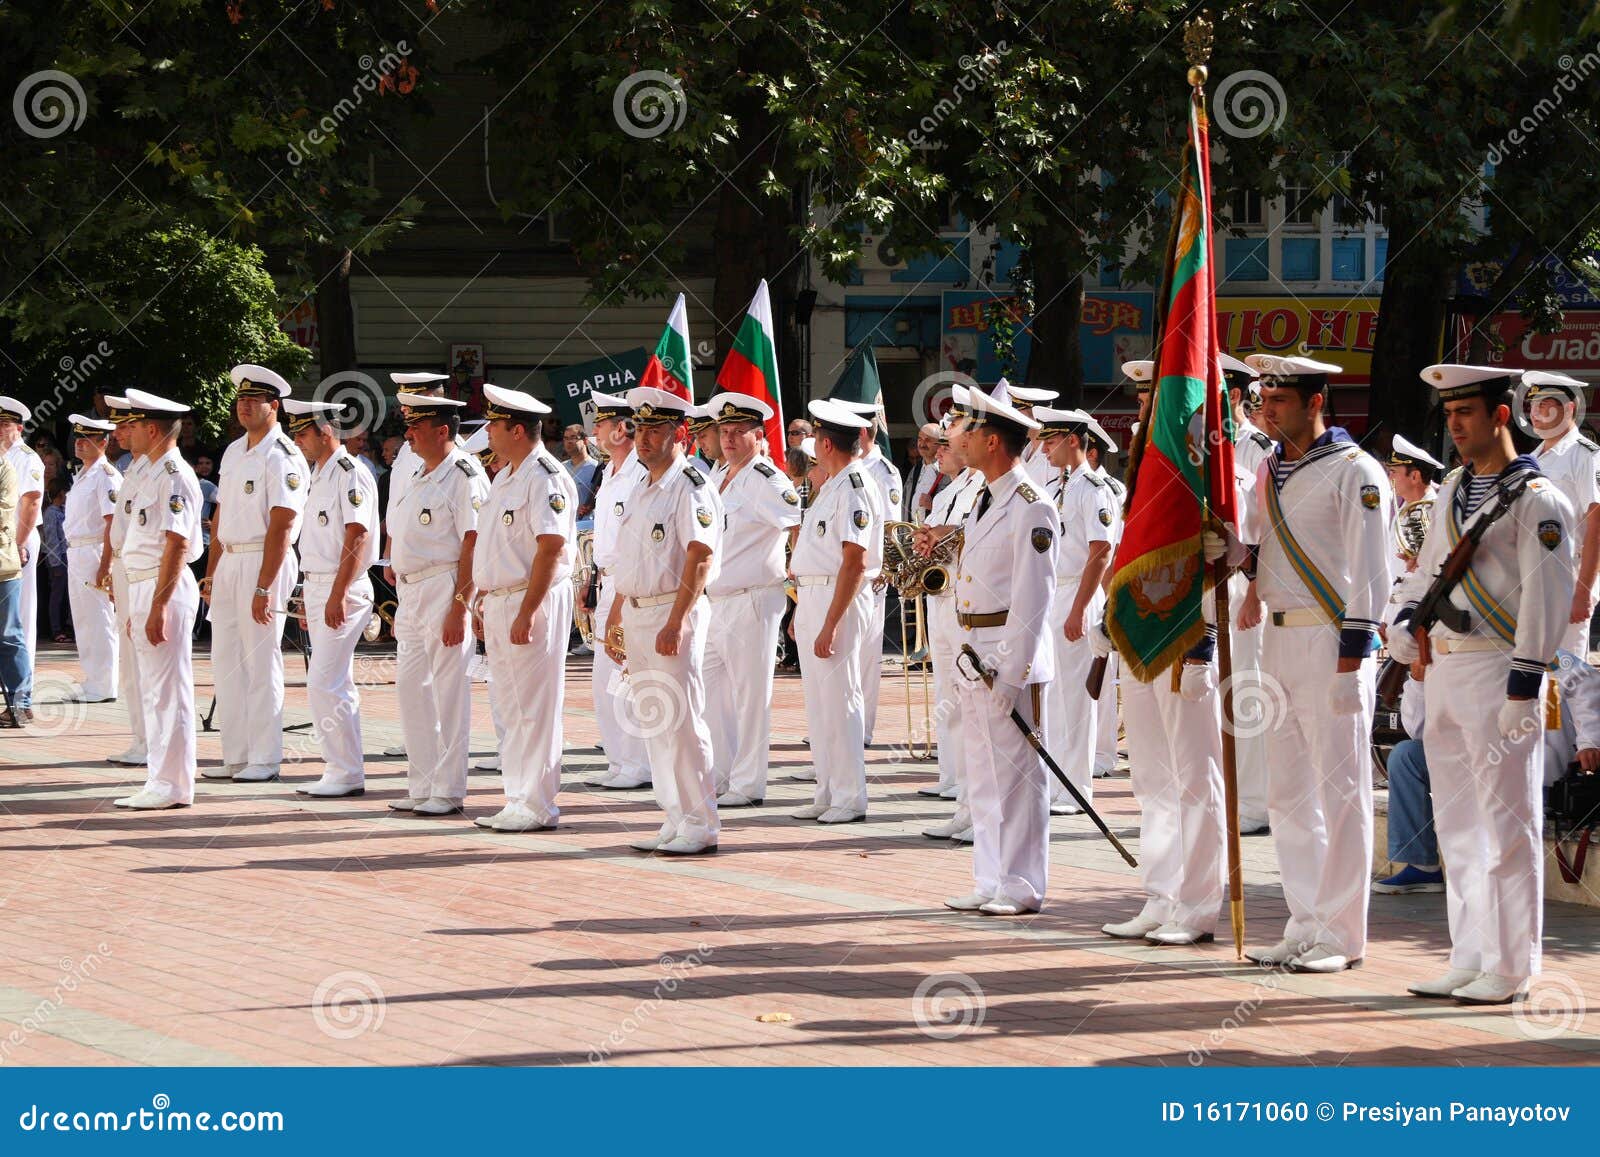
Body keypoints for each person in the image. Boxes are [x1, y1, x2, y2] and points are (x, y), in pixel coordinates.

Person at [1386, 362, 1574, 1005]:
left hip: (1499, 668)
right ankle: (1469, 953)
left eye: (1466, 412)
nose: (1455, 425)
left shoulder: (1539, 498)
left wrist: (1526, 687)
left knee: (1507, 822)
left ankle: (1513, 963)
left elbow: (1549, 596)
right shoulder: (1456, 487)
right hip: (1446, 663)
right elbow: (1433, 569)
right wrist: (1407, 622)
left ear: (1502, 413)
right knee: (1460, 825)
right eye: (1448, 414)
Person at [1237, 354, 1393, 973]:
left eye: (1279, 399)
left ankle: (1341, 934)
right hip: (1278, 637)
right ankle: (1305, 922)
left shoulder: (1356, 470)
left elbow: (1373, 569)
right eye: (1263, 398)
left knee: (1341, 791)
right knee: (1289, 794)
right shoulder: (1271, 467)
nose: (1266, 408)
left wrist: (1353, 661)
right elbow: (1259, 548)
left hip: (1334, 641)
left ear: (1315, 401)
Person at [942, 385, 1058, 916]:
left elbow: (1034, 596)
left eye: (965, 430)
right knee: (985, 772)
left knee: (1018, 775)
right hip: (974, 648)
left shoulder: (1032, 506)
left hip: (1008, 655)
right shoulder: (982, 495)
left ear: (991, 441)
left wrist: (1014, 671)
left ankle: (1022, 883)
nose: (956, 438)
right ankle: (991, 876)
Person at [603, 386, 723, 855]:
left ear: (681, 433)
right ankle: (674, 815)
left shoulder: (691, 485)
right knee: (655, 719)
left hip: (673, 610)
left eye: (656, 429)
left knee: (683, 721)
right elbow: (630, 561)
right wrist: (616, 614)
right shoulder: (641, 485)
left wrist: (677, 621)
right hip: (638, 610)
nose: (643, 439)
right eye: (639, 429)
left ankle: (700, 823)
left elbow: (699, 555)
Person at [471, 384, 578, 831]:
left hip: (530, 599)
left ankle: (537, 804)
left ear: (516, 430)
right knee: (507, 705)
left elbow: (550, 547)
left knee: (533, 706)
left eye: (494, 425)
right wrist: (482, 594)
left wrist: (528, 610)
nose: (488, 434)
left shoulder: (545, 477)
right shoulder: (506, 475)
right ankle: (517, 797)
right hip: (502, 599)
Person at [200, 366, 308, 785]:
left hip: (264, 559)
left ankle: (264, 758)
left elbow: (282, 523)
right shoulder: (233, 451)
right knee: (225, 661)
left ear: (274, 406)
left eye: (255, 400)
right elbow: (220, 518)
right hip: (230, 559)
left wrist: (265, 585)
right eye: (241, 400)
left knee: (261, 661)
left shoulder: (283, 455)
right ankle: (236, 754)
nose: (245, 406)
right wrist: (210, 574)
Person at [386, 392, 488, 816]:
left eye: (416, 426)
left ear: (442, 431)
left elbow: (473, 540)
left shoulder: (463, 474)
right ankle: (422, 782)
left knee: (448, 691)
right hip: (412, 591)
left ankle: (447, 789)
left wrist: (461, 605)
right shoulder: (420, 472)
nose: (408, 434)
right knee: (412, 689)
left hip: (444, 586)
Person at [701, 392, 802, 808]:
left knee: (749, 695)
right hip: (715, 598)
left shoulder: (766, 479)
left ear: (758, 436)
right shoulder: (718, 474)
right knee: (711, 695)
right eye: (724, 431)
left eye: (739, 432)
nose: (729, 439)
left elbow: (798, 522)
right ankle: (720, 775)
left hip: (753, 597)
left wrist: (799, 585)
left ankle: (748, 783)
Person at [109, 389, 204, 809]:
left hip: (163, 586)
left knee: (169, 690)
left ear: (152, 429)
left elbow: (177, 543)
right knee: (153, 689)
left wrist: (160, 605)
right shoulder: (146, 472)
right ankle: (159, 778)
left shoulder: (173, 475)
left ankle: (174, 784)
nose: (124, 430)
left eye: (133, 424)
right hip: (144, 583)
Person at [282, 398, 379, 799]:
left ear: (326, 432)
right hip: (321, 582)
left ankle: (345, 770)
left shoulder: (349, 472)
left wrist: (337, 593)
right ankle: (341, 767)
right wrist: (309, 595)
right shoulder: (317, 473)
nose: (298, 442)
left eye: (303, 433)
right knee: (330, 680)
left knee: (325, 680)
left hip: (347, 586)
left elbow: (356, 536)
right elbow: (316, 542)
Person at [788, 399, 879, 821]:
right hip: (814, 595)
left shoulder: (856, 487)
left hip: (836, 598)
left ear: (825, 444)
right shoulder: (835, 484)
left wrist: (830, 622)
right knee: (819, 701)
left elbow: (853, 562)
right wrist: (802, 612)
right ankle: (827, 790)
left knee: (841, 698)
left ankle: (849, 796)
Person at [1035, 406, 1114, 816]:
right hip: (1055, 594)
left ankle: (1078, 788)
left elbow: (1100, 552)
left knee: (1077, 699)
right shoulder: (1059, 484)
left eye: (1050, 441)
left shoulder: (1093, 487)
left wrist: (1080, 608)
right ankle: (1057, 783)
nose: (1044, 449)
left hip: (1077, 596)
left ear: (1072, 440)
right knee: (1055, 698)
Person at [915, 394, 984, 833]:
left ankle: (969, 795)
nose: (943, 446)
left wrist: (943, 535)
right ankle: (956, 783)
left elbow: (973, 534)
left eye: (950, 437)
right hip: (942, 598)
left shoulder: (980, 484)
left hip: (969, 602)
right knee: (949, 697)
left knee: (969, 701)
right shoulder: (952, 487)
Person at [587, 390, 653, 790]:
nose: (595, 431)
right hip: (607, 580)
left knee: (626, 678)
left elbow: (637, 543)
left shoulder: (638, 474)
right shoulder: (609, 473)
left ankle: (636, 764)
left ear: (622, 429)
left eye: (601, 424)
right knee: (605, 678)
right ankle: (618, 761)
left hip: (629, 584)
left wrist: (619, 602)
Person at [1220, 354, 1273, 833]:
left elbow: (1265, 527)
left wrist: (1256, 589)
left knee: (1247, 687)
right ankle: (1228, 793)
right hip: (1209, 583)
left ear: (1233, 395)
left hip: (1244, 584)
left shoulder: (1256, 447)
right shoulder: (1203, 445)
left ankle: (1254, 803)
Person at [833, 400, 900, 747]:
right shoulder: (846, 468)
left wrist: (883, 570)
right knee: (847, 654)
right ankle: (843, 725)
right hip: (844, 571)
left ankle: (863, 729)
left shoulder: (882, 471)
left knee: (866, 656)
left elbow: (889, 526)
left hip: (869, 576)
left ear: (860, 432)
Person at [101, 400, 151, 762]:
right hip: (124, 568)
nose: (118, 433)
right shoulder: (132, 468)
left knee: (145, 660)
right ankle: (140, 738)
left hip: (142, 571)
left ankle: (153, 742)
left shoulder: (155, 471)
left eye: (125, 426)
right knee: (130, 663)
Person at [62, 415, 121, 703]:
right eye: (78, 438)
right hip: (77, 551)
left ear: (104, 442)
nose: (80, 444)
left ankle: (105, 683)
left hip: (96, 549)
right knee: (84, 619)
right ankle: (93, 678)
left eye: (88, 439)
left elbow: (113, 522)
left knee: (100, 619)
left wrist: (106, 564)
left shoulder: (105, 475)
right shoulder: (84, 474)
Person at [1371, 672, 1443, 895]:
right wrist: (1419, 678)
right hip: (1450, 753)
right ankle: (1423, 866)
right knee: (1405, 755)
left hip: (1489, 756)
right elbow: (1416, 731)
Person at [1084, 415, 1126, 780]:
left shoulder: (1109, 489)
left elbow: (1109, 548)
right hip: (1081, 584)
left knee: (1103, 675)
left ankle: (1103, 752)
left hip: (1105, 585)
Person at [0, 398, 43, 718]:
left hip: (16, 542)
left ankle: (21, 696)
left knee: (18, 620)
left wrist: (18, 544)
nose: (0, 430)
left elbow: (30, 504)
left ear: (20, 427)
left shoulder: (26, 458)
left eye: (5, 424)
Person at [1387, 434, 1444, 575]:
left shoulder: (1435, 512)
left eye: (1393, 472)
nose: (1389, 478)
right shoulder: (1404, 507)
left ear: (1414, 476)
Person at [0, 456, 25, 727]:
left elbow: (3, 512)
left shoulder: (5, 469)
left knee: (8, 635)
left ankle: (20, 703)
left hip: (2, 566)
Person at [41, 479, 69, 641]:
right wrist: (56, 563)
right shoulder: (51, 513)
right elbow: (52, 539)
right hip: (57, 558)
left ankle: (65, 626)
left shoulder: (62, 510)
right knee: (56, 595)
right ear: (60, 494)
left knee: (64, 594)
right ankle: (56, 629)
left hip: (65, 556)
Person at [562, 423, 601, 520]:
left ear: (585, 440)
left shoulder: (597, 468)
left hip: (587, 525)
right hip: (565, 525)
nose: (569, 441)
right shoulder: (560, 468)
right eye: (566, 438)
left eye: (573, 437)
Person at [905, 423, 942, 522]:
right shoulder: (915, 469)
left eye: (928, 440)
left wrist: (933, 505)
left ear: (939, 443)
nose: (922, 444)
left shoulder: (945, 471)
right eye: (920, 439)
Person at [686, 406, 722, 476]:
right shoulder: (716, 468)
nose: (699, 445)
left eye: (703, 436)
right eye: (696, 437)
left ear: (721, 431)